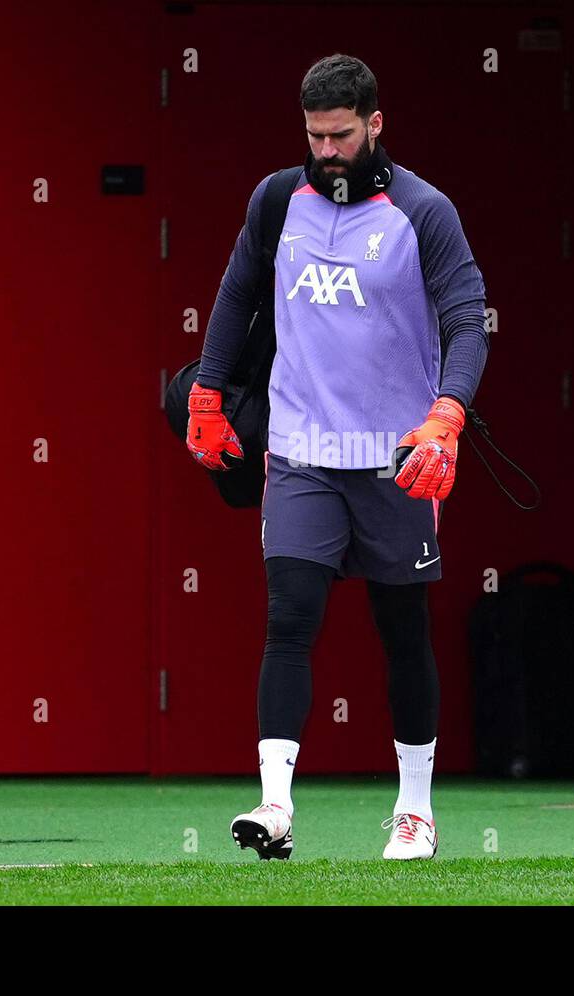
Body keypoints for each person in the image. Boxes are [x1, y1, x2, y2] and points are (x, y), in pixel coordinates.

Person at [186, 53, 488, 860]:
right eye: (315, 135)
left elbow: (466, 318)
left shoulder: (423, 211)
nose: (327, 150)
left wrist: (447, 414)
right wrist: (207, 392)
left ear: (375, 124)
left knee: (401, 631)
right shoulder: (276, 199)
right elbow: (237, 292)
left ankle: (416, 813)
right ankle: (276, 807)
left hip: (396, 457)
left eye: (342, 135)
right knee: (289, 619)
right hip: (301, 451)